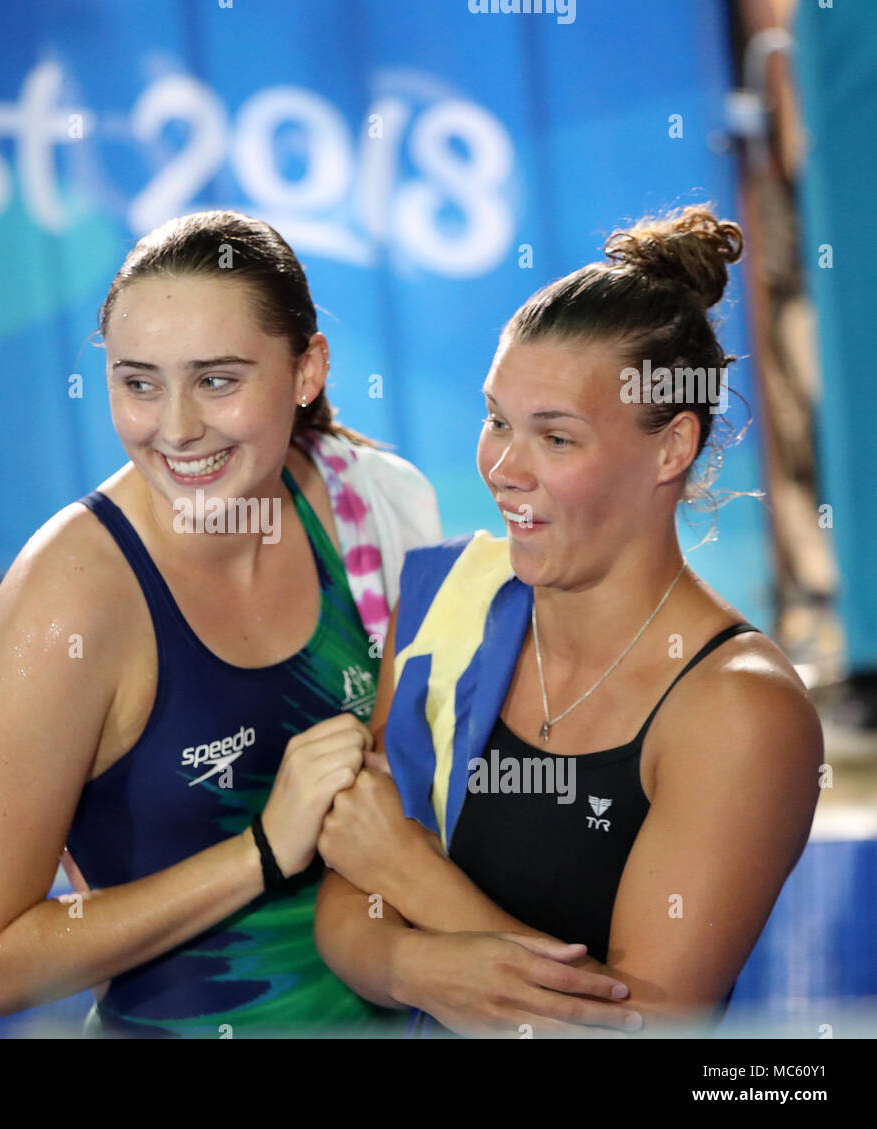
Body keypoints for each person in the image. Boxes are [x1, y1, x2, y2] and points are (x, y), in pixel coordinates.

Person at [312, 205, 824, 1037]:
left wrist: (419, 883)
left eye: (555, 437)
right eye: (497, 421)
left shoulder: (741, 710)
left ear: (672, 446)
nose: (505, 469)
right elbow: (347, 893)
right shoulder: (447, 598)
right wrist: (413, 964)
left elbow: (644, 1029)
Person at [0, 210, 444, 1036]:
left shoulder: (375, 508)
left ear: (307, 368)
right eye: (139, 383)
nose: (175, 428)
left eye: (216, 380)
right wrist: (259, 854)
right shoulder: (70, 600)